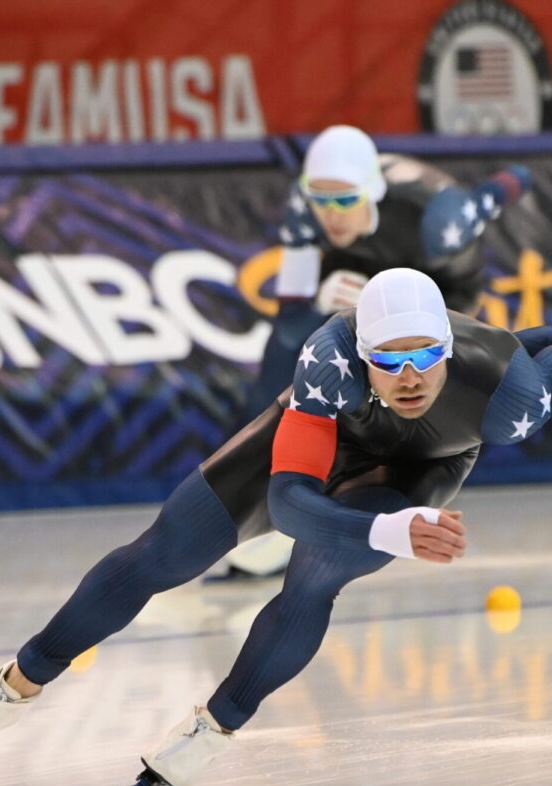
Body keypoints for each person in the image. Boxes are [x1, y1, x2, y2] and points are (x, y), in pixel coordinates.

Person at [0, 268, 552, 786]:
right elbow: (289, 502)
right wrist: (394, 534)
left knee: (317, 575)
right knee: (163, 553)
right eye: (388, 360)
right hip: (324, 435)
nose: (410, 376)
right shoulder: (329, 360)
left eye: (426, 355)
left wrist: (501, 351)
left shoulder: (512, 401)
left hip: (419, 467)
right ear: (362, 356)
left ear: (451, 347)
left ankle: (217, 723)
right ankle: (12, 688)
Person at [216, 124, 530, 579]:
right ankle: (275, 492)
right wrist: (321, 297)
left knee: (406, 386)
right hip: (357, 267)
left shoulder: (441, 220)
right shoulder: (304, 211)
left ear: (373, 192)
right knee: (287, 359)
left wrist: (515, 176)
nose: (331, 215)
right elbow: (290, 323)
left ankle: (367, 500)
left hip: (436, 283)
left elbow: (506, 185)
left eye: (345, 200)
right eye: (320, 200)